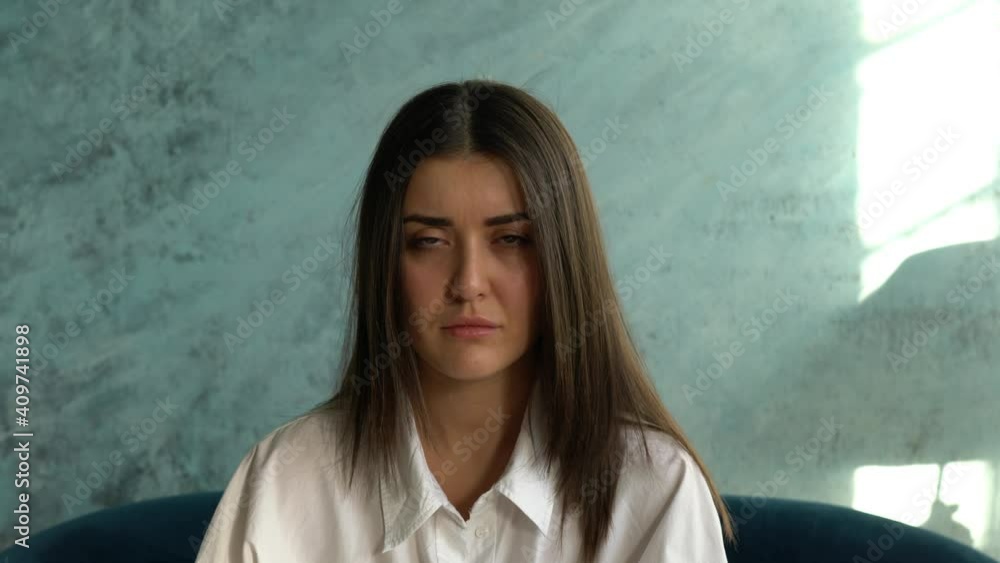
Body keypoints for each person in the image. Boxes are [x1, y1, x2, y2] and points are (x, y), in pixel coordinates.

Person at [194, 79, 734, 562]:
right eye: (429, 241)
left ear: (563, 262)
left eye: (512, 240)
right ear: (386, 262)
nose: (469, 282)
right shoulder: (284, 481)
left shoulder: (657, 489)